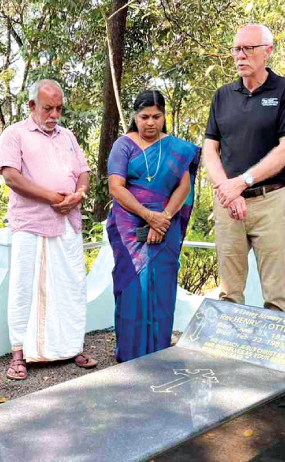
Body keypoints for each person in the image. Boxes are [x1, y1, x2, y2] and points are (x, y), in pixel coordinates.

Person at [0, 79, 97, 380]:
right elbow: (12, 177)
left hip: (68, 221)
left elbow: (83, 172)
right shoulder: (15, 134)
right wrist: (53, 198)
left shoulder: (67, 136)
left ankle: (71, 346)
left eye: (58, 109)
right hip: (32, 222)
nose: (54, 115)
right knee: (24, 287)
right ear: (31, 107)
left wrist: (77, 194)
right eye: (47, 108)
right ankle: (19, 355)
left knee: (71, 285)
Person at [203, 24, 285, 312]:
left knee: (276, 295)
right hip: (228, 203)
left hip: (270, 200)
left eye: (249, 48)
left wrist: (242, 182)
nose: (241, 55)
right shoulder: (223, 95)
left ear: (267, 51)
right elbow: (211, 149)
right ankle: (231, 356)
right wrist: (228, 190)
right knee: (229, 292)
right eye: (237, 49)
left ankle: (273, 357)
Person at [106, 90, 200, 362]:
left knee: (162, 286)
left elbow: (184, 186)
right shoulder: (122, 146)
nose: (150, 122)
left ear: (164, 116)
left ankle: (157, 352)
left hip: (165, 224)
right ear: (135, 116)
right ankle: (130, 353)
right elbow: (116, 188)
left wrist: (164, 218)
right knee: (133, 286)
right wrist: (150, 216)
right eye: (144, 116)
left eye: (157, 116)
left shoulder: (177, 148)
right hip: (129, 227)